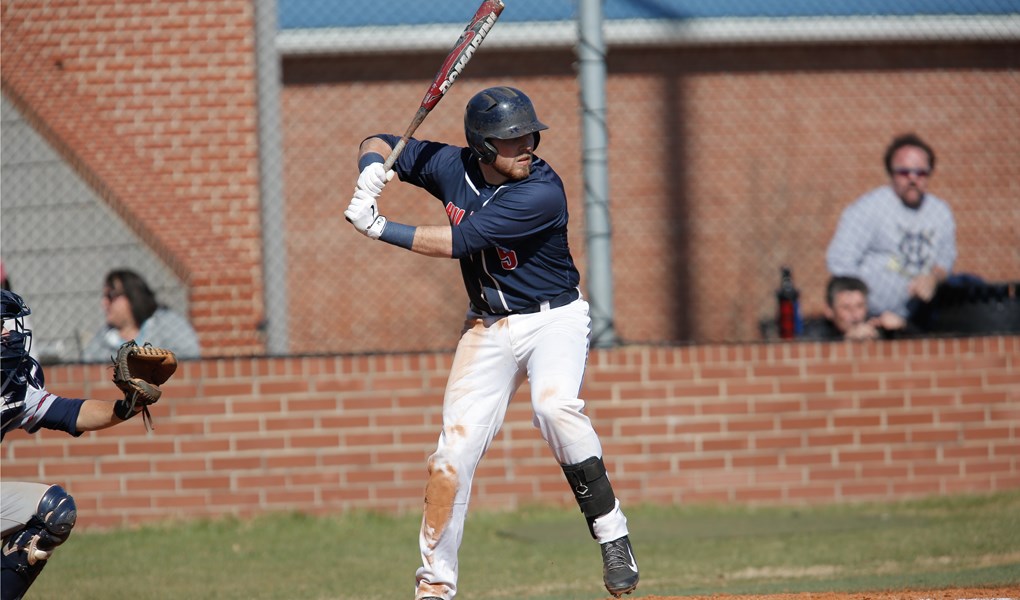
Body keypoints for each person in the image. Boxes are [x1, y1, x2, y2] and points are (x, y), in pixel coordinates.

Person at [343, 86, 639, 599]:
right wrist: (371, 167)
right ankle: (434, 587)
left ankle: (613, 536)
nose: (526, 145)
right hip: (487, 327)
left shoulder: (541, 191)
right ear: (481, 147)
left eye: (529, 134)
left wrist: (379, 226)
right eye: (511, 139)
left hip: (554, 321)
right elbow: (377, 139)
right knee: (450, 456)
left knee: (554, 408)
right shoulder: (449, 167)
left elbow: (463, 241)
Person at [1, 290, 159, 599]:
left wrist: (127, 406)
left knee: (54, 511)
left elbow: (69, 413)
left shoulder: (12, 385)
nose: (8, 333)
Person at [826, 133, 957, 325]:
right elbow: (840, 263)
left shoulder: (940, 212)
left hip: (923, 319)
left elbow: (946, 258)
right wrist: (862, 314)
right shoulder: (867, 210)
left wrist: (933, 278)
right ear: (890, 173)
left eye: (920, 172)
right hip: (874, 322)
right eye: (904, 172)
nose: (913, 179)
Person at [82, 269, 200, 362]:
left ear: (133, 296)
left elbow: (191, 359)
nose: (104, 303)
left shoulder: (167, 324)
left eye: (111, 296)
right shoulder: (102, 341)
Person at [803, 276, 909, 341]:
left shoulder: (876, 326)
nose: (855, 315)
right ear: (829, 310)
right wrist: (845, 341)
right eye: (846, 308)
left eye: (859, 306)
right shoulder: (815, 331)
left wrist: (902, 327)